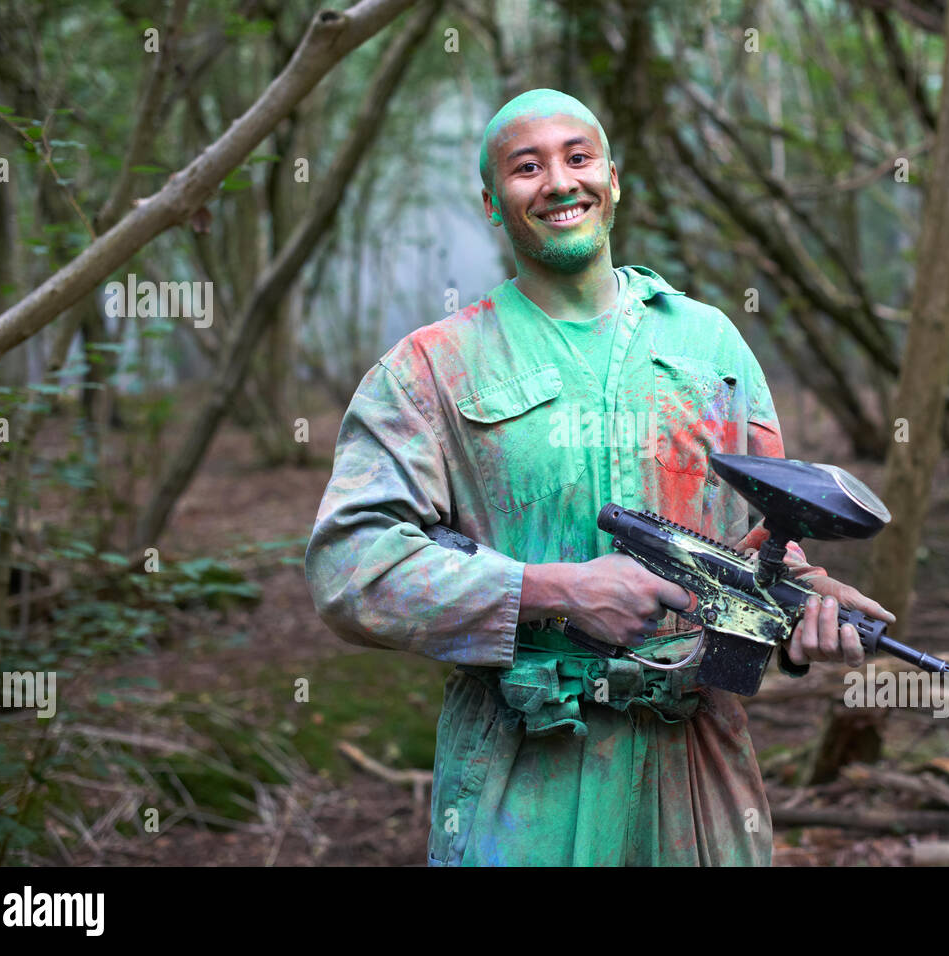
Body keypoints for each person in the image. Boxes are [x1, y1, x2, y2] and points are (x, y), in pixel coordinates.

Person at [305, 89, 894, 866]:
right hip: (526, 770)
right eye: (526, 167)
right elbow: (350, 570)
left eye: (578, 157)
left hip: (698, 773)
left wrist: (802, 607)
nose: (558, 181)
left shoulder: (711, 347)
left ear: (613, 180)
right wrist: (553, 590)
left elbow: (757, 545)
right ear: (493, 203)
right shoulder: (432, 368)